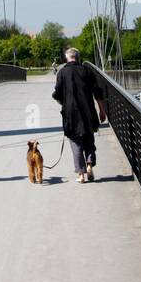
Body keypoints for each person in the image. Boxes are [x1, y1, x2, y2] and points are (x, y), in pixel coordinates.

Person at [52, 46, 106, 183]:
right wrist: (102, 110)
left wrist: (62, 101)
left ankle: (81, 174)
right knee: (89, 140)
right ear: (78, 57)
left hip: (71, 113)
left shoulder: (62, 73)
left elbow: (57, 93)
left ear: (67, 58)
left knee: (75, 143)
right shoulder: (87, 71)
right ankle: (89, 163)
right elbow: (97, 92)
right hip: (88, 111)